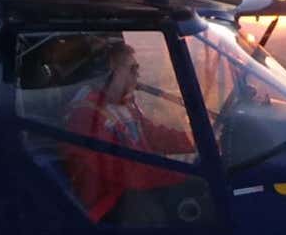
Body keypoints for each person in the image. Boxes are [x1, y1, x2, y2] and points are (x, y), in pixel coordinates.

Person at [63, 42, 204, 225]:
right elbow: (127, 172)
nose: (137, 75)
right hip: (112, 204)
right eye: (132, 69)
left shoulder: (123, 104)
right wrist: (183, 173)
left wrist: (196, 140)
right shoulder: (87, 116)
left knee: (201, 190)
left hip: (137, 189)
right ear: (109, 74)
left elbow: (153, 135)